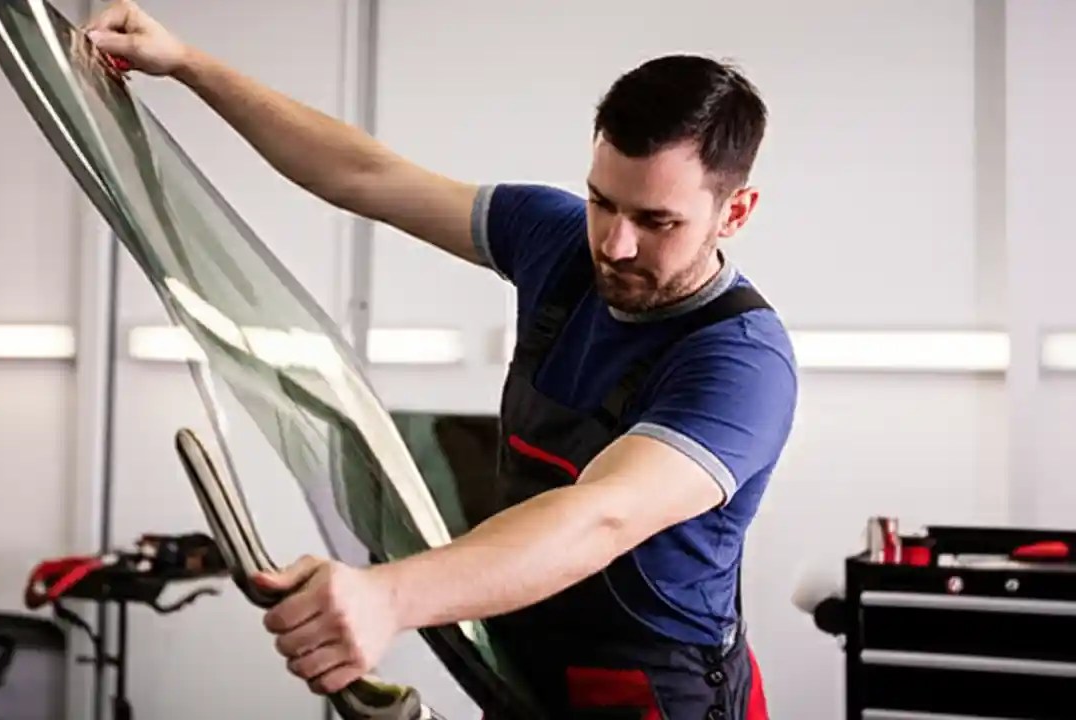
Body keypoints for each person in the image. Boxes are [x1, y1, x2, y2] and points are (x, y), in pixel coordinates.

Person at [85, 2, 797, 717]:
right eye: (601, 202)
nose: (613, 243)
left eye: (656, 221)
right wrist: (188, 64)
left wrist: (389, 596)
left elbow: (599, 519)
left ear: (734, 213)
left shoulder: (740, 363)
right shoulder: (554, 244)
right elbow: (366, 176)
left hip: (654, 695)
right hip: (525, 659)